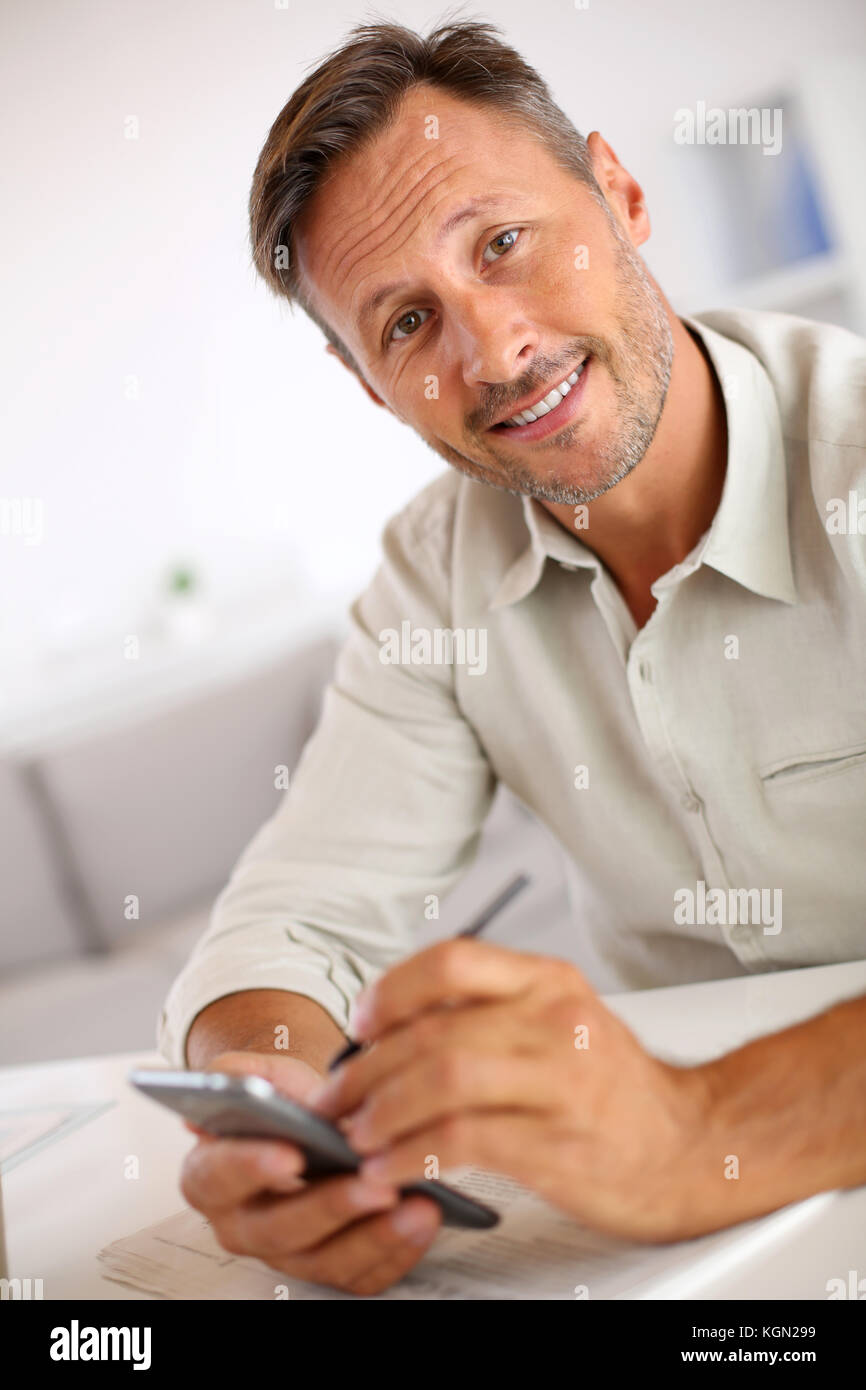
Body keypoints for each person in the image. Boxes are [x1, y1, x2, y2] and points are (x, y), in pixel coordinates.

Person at [160, 17, 866, 1296]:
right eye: (406, 322)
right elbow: (297, 918)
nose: (490, 351)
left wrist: (699, 1130)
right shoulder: (434, 579)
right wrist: (262, 1099)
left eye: (502, 243)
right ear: (370, 387)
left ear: (621, 191)